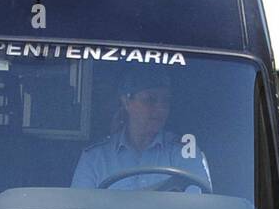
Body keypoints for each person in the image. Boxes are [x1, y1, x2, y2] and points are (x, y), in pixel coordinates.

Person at [71, 67, 210, 192]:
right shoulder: (95, 157)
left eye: (166, 101)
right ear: (126, 102)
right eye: (150, 100)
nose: (160, 108)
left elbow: (198, 208)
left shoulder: (184, 152)